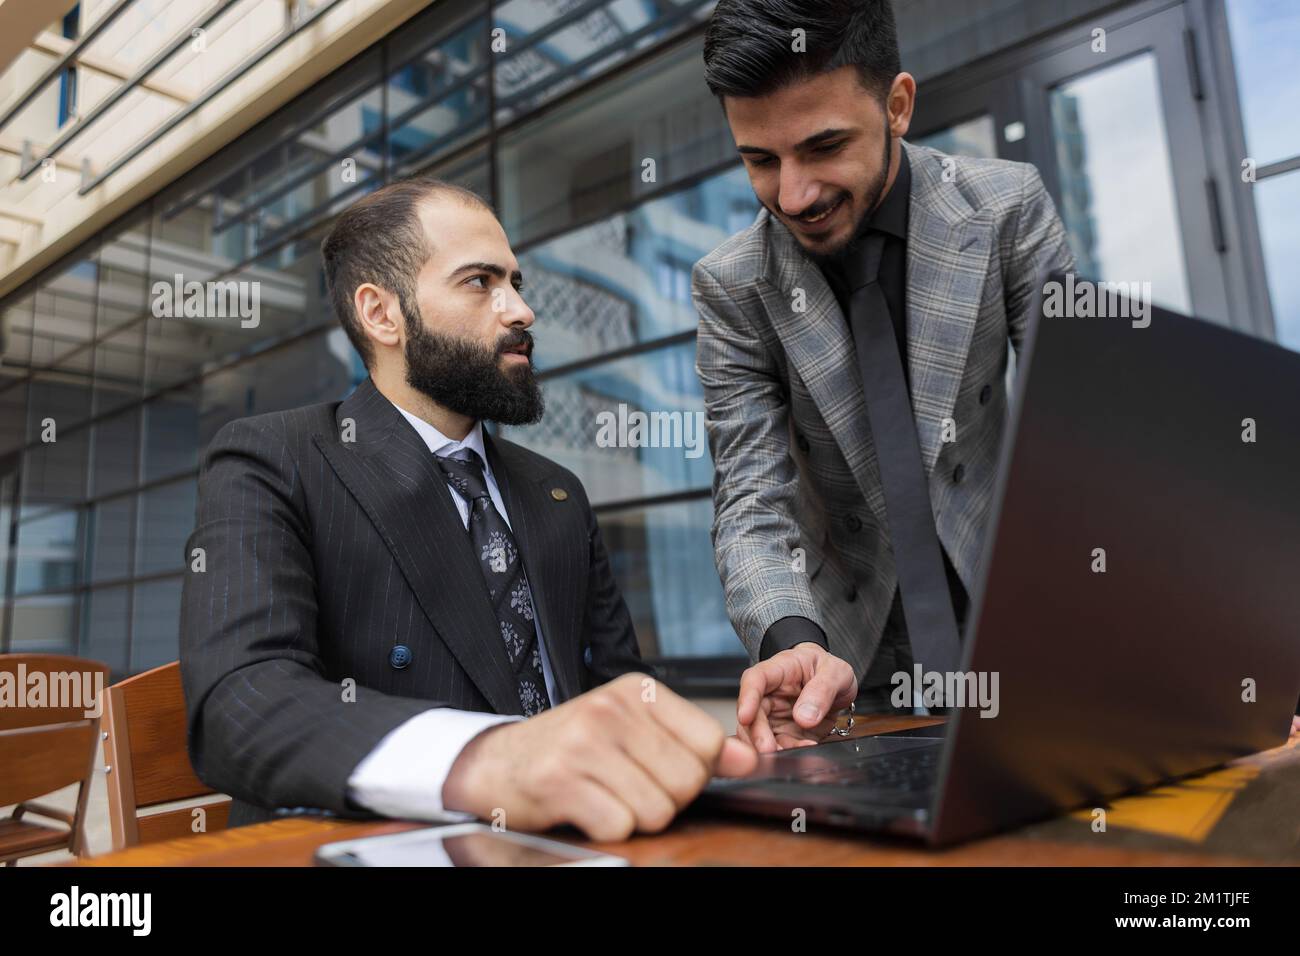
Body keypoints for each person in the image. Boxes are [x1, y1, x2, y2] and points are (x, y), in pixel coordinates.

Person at [180, 177, 756, 841]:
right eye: (480, 282)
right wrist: (487, 760)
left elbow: (618, 683)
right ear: (382, 314)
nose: (522, 311)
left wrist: (707, 747)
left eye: (516, 282)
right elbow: (241, 703)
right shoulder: (273, 459)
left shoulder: (555, 491)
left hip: (583, 840)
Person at [692, 0, 1076, 751]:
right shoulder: (732, 285)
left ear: (897, 105)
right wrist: (793, 643)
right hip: (848, 669)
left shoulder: (1007, 208)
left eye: (824, 146)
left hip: (1020, 627)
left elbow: (1088, 429)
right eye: (761, 160)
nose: (794, 196)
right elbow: (750, 498)